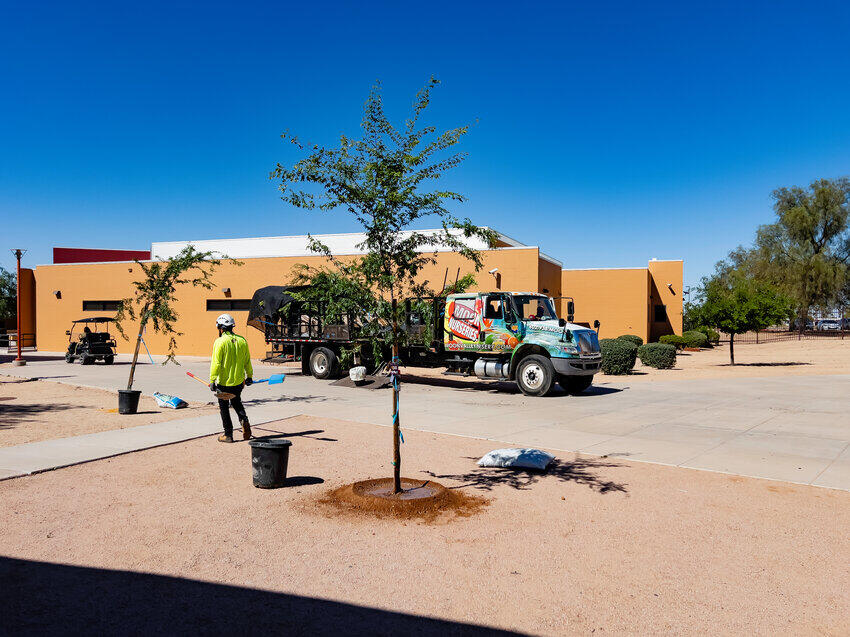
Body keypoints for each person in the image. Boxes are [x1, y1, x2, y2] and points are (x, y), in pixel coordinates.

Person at [210, 313, 253, 443]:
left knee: (224, 408)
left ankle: (228, 434)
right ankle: (244, 421)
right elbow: (247, 361)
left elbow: (216, 363)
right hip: (239, 382)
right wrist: (249, 376)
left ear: (221, 328)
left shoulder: (220, 342)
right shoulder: (242, 340)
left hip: (224, 383)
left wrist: (212, 380)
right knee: (236, 402)